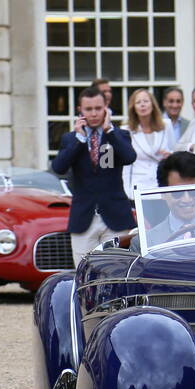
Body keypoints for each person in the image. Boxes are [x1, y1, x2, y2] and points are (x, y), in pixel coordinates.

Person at [53, 85, 136, 261]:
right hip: (84, 218)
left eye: (98, 108)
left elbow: (129, 157)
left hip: (116, 217)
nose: (94, 113)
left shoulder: (119, 135)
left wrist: (110, 131)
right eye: (88, 109)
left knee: (118, 272)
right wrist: (80, 139)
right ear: (80, 111)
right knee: (84, 274)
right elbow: (59, 167)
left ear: (106, 108)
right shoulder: (71, 138)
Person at [122, 88, 170, 199]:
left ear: (152, 104)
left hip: (160, 186)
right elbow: (125, 165)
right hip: (137, 188)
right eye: (138, 102)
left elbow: (173, 149)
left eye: (146, 101)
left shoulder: (166, 126)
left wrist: (169, 155)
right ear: (133, 108)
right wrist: (126, 190)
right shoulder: (126, 131)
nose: (142, 105)